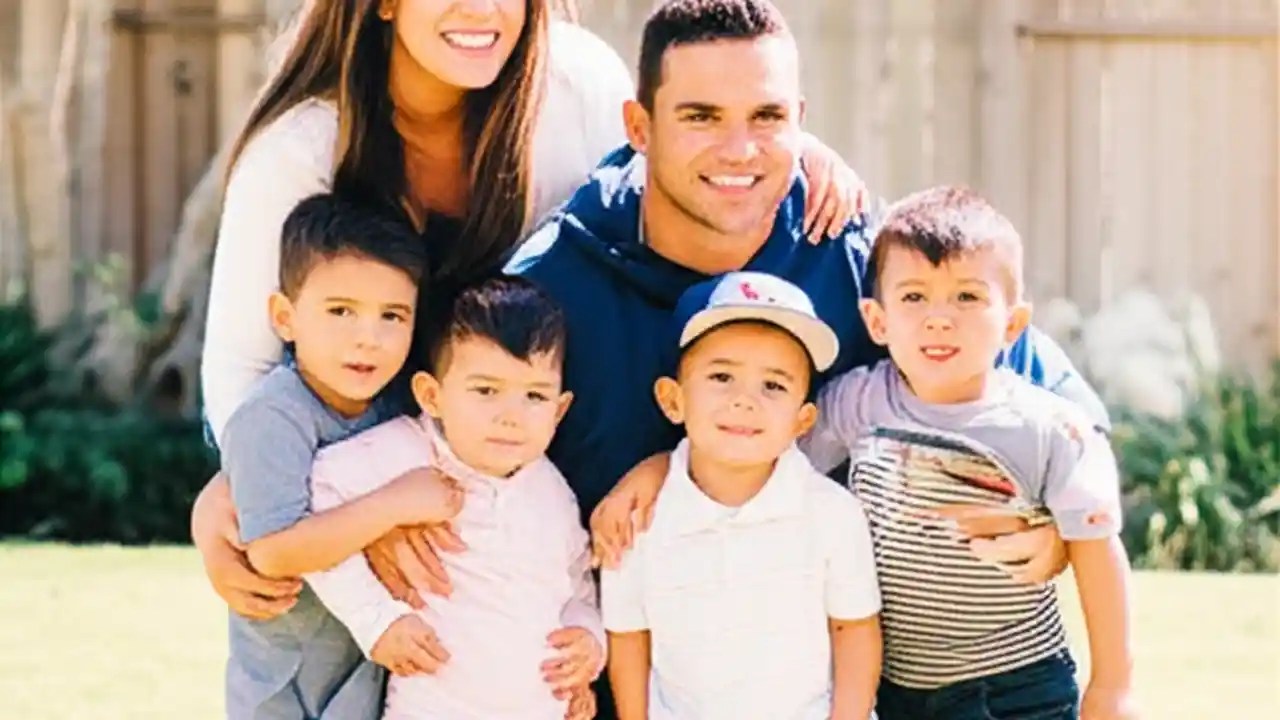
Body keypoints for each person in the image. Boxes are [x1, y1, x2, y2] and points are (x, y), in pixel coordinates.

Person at [194, 0, 866, 623]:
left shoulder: (572, 82)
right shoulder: (303, 148)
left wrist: (794, 151)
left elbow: (686, 149)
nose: (481, 8)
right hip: (355, 457)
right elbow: (241, 367)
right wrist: (282, 497)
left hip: (489, 415)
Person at [798, 187, 1136, 720]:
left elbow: (1097, 551)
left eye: (967, 297)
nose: (938, 318)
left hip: (1016, 685)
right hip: (893, 683)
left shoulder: (1050, 428)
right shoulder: (855, 403)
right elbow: (783, 475)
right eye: (913, 297)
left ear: (1013, 325)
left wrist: (1112, 688)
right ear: (877, 321)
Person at [302, 277, 603, 720]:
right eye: (485, 390)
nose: (510, 416)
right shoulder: (404, 454)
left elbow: (575, 580)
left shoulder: (552, 491)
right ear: (432, 396)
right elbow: (318, 502)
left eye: (535, 396)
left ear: (559, 410)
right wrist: (377, 619)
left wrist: (587, 637)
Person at [218, 193, 463, 719]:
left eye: (392, 316)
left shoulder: (399, 403)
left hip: (372, 671)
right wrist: (395, 505)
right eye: (340, 311)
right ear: (285, 317)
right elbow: (274, 552)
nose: (368, 338)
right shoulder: (273, 417)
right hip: (289, 689)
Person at [601, 272, 883, 719]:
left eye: (773, 385)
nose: (745, 400)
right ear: (672, 400)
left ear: (803, 420)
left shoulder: (831, 513)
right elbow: (628, 636)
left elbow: (854, 627)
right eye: (721, 376)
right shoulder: (638, 516)